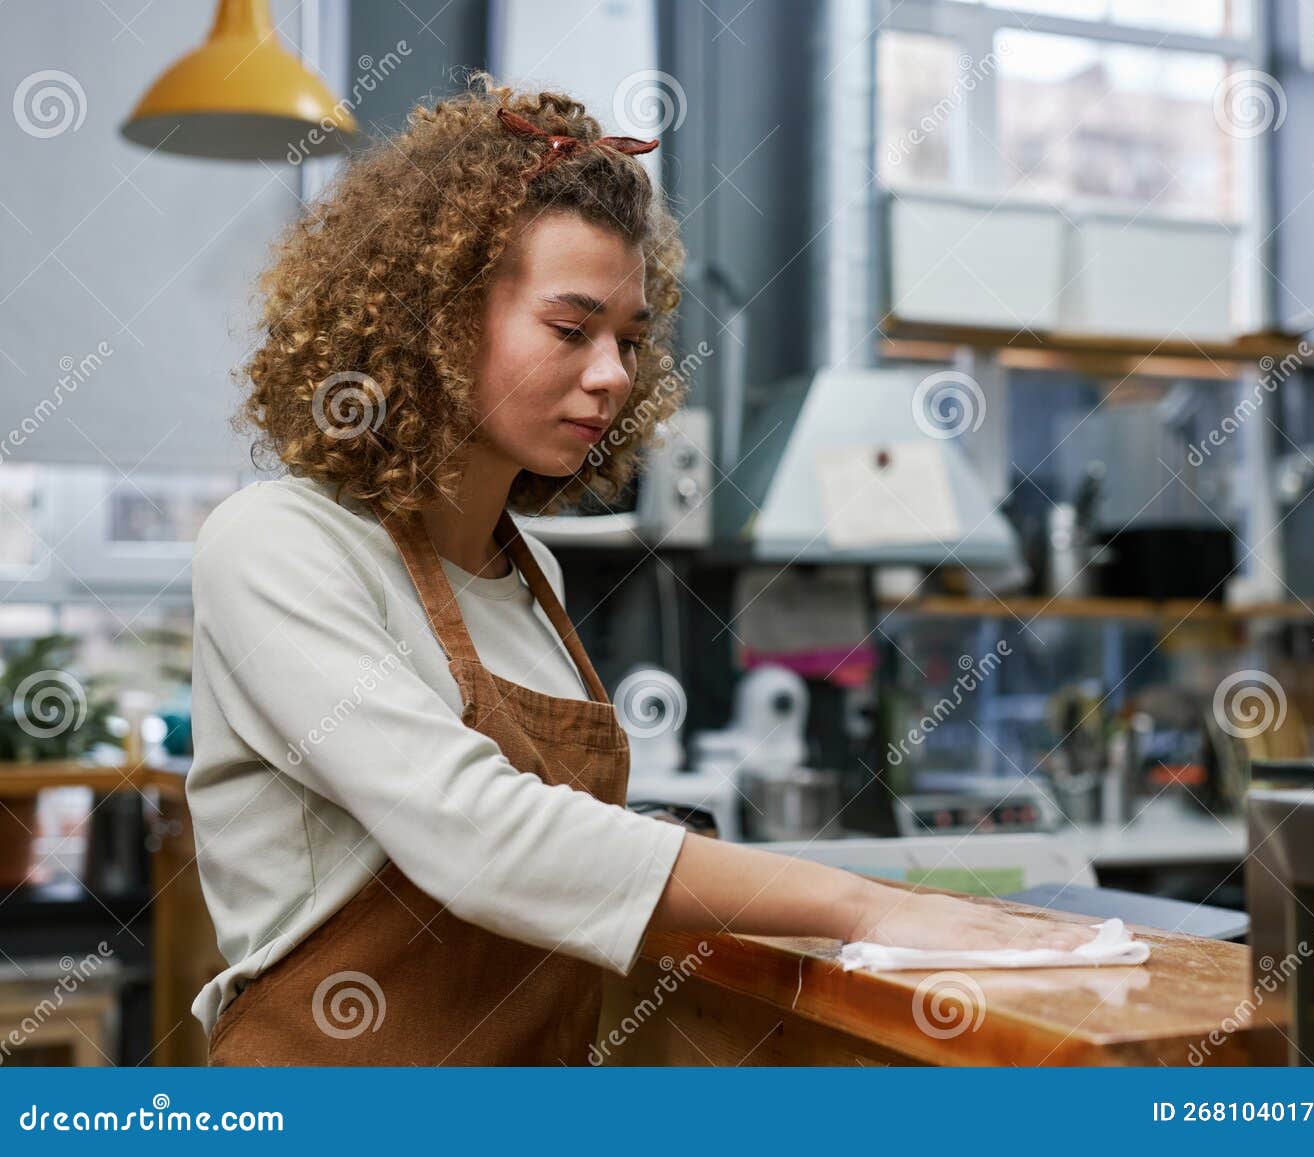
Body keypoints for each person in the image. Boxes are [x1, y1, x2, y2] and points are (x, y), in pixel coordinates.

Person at [188, 76, 1092, 1065]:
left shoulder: (527, 565)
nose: (614, 373)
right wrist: (863, 902)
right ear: (433, 320)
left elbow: (564, 865)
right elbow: (480, 834)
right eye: (572, 329)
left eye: (628, 338)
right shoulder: (276, 544)